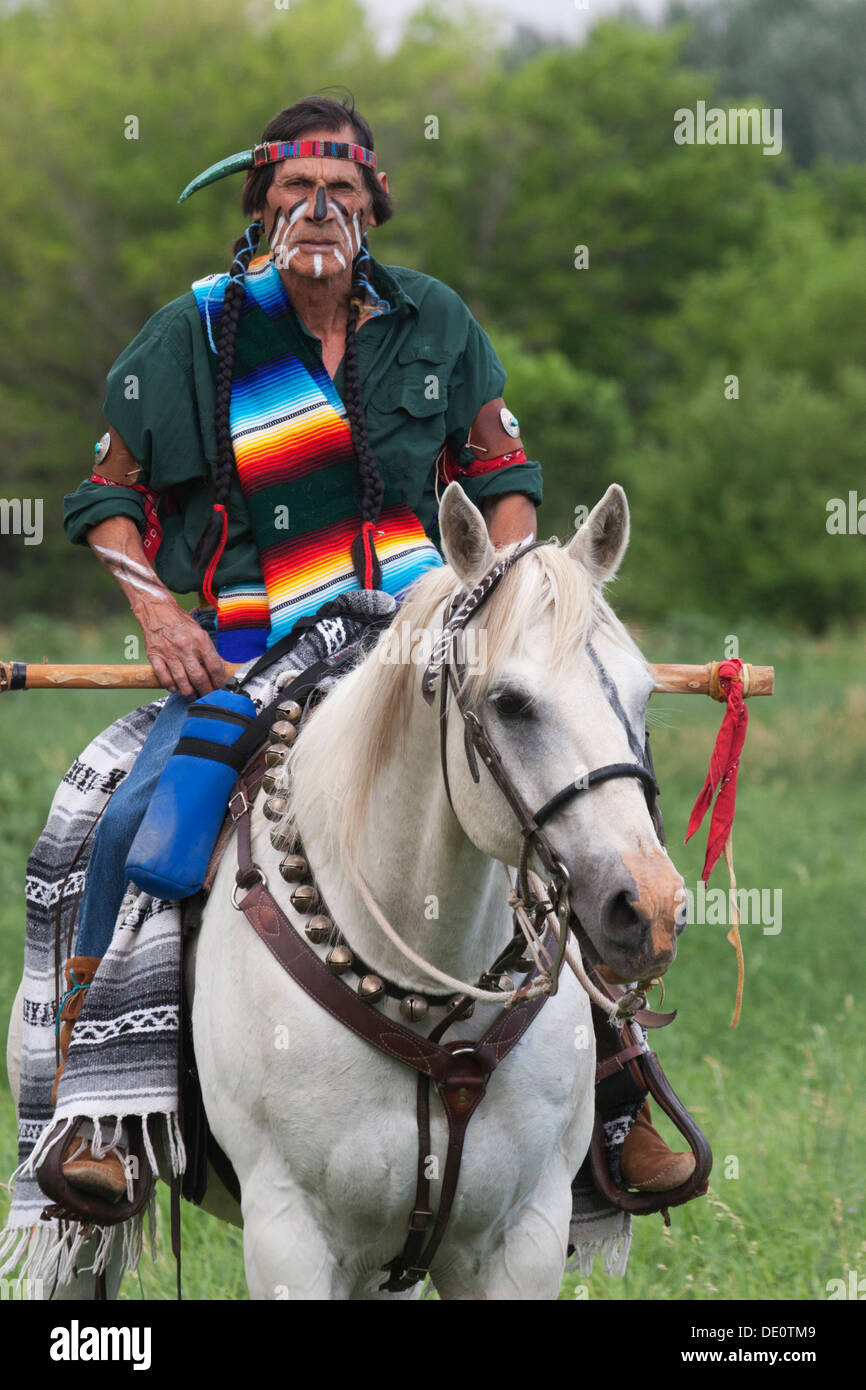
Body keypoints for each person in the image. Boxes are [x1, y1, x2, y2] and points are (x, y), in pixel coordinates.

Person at [55, 95, 692, 1204]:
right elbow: (105, 496)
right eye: (294, 192)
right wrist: (160, 615)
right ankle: (106, 1107)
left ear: (372, 209)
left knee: (559, 799)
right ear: (259, 209)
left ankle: (619, 1086)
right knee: (131, 820)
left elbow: (504, 486)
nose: (317, 211)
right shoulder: (195, 330)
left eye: (341, 193)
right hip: (254, 648)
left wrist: (502, 605)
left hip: (424, 636)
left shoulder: (435, 321)